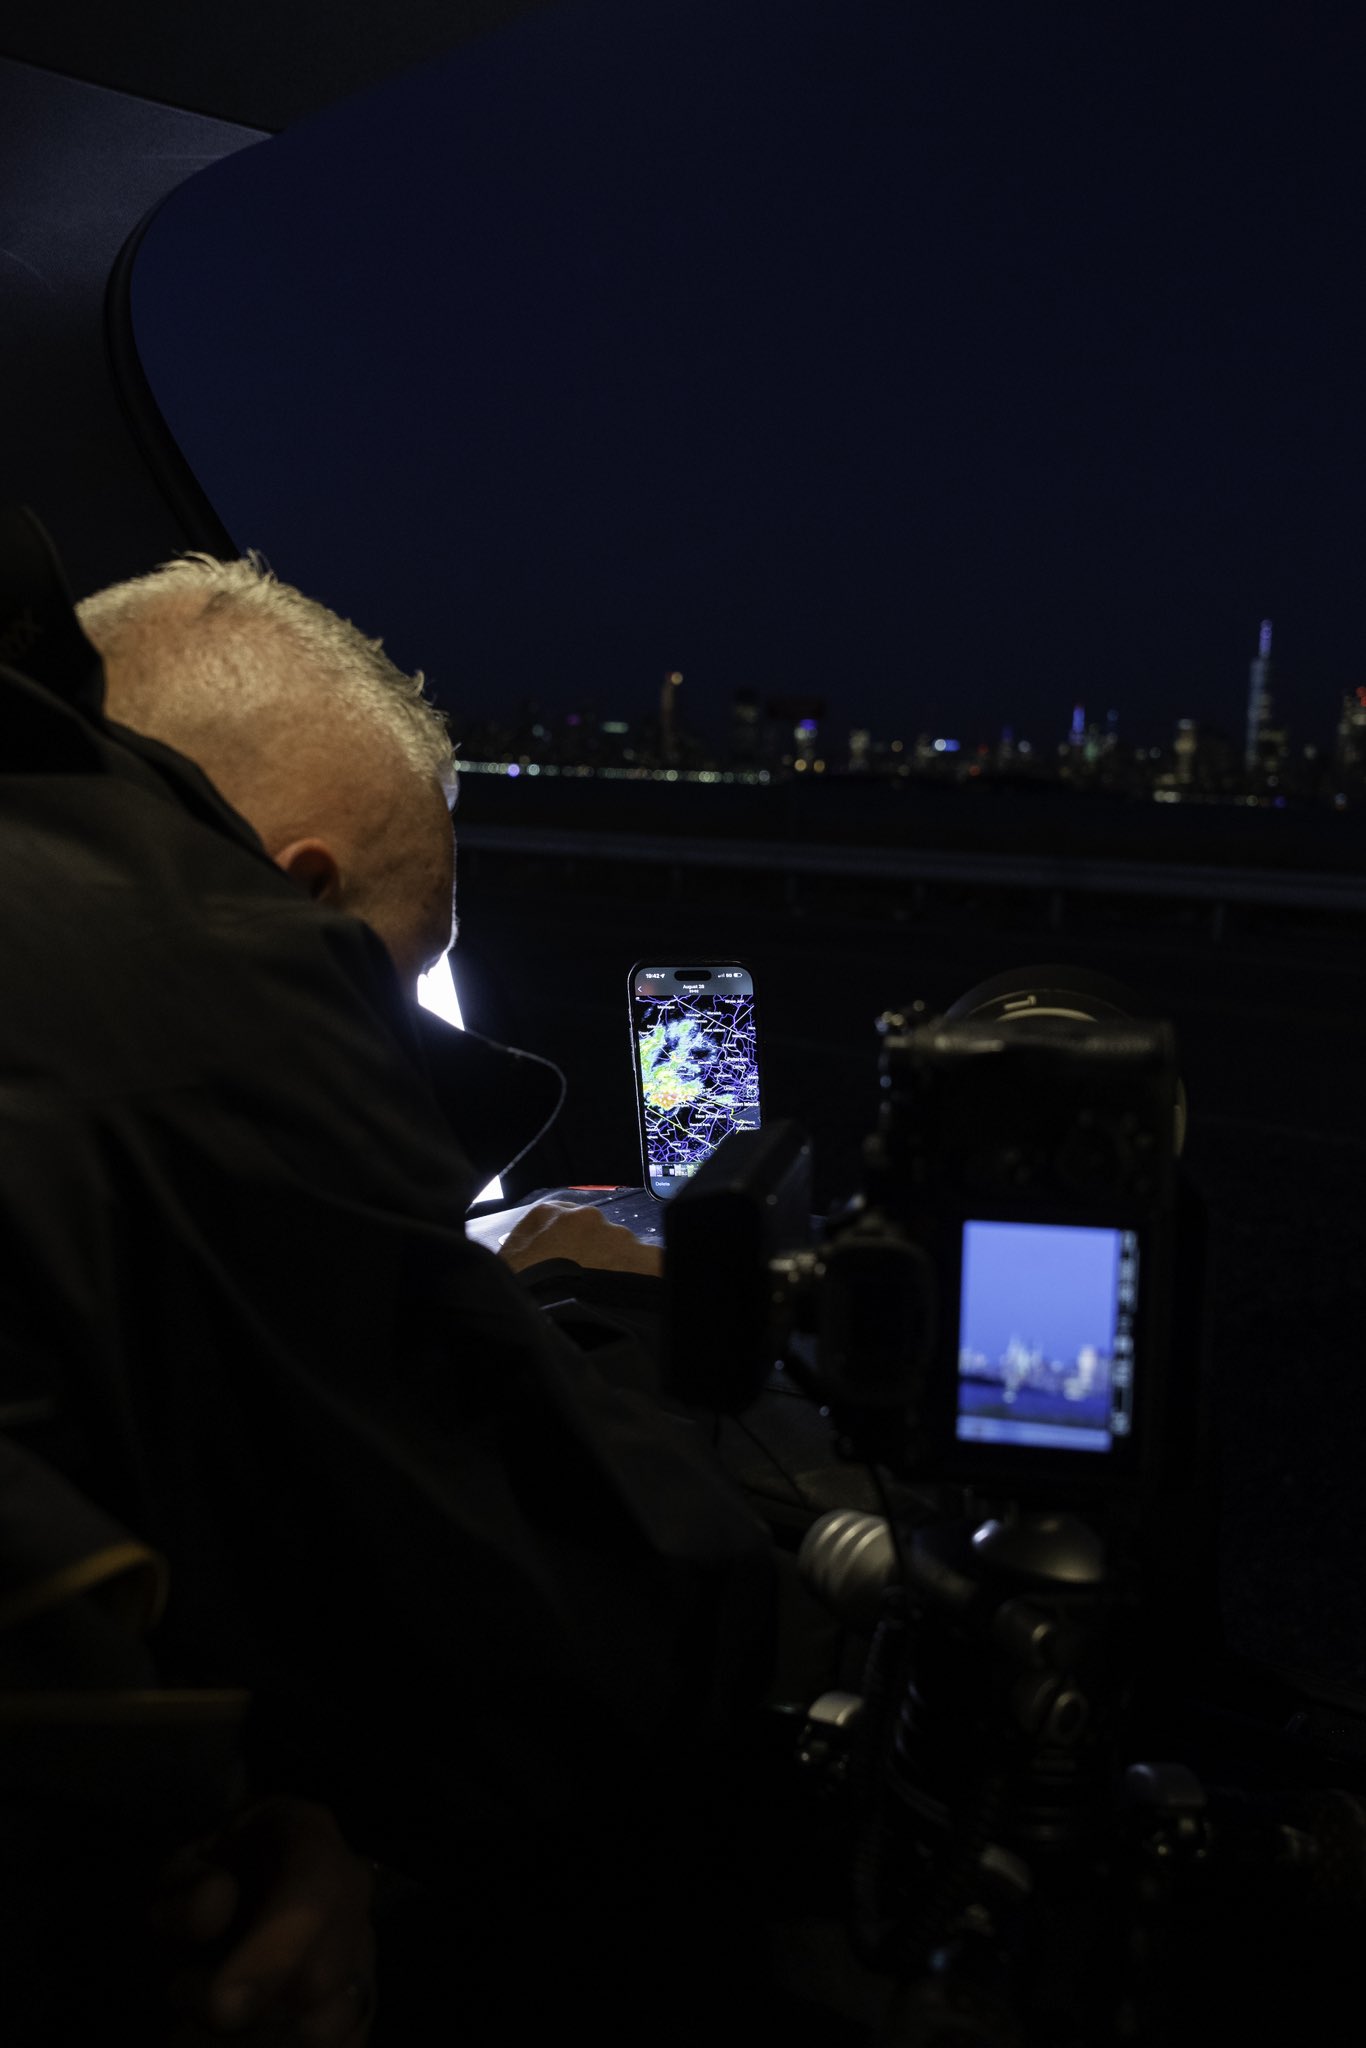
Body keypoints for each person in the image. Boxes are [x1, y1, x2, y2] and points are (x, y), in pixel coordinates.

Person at [0, 508, 783, 2040]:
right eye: (390, 975)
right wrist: (602, 1315)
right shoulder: (195, 975)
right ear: (295, 894)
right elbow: (593, 1652)